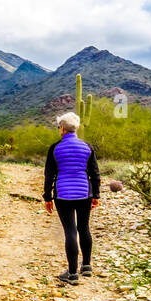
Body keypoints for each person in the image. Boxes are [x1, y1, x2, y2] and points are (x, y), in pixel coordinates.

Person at [43, 111, 100, 284]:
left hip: (63, 194)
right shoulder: (87, 147)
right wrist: (96, 194)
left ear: (62, 128)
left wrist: (47, 197)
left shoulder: (55, 148)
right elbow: (94, 173)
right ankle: (87, 266)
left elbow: (49, 175)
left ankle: (72, 273)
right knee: (84, 228)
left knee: (70, 231)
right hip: (84, 193)